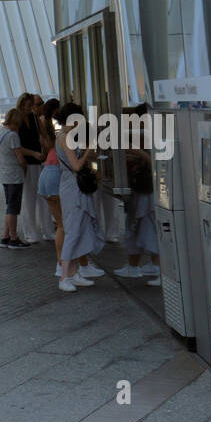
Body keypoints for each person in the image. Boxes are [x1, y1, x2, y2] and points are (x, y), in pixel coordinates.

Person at [55, 102, 105, 292]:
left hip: (70, 187)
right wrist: (87, 153)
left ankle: (72, 274)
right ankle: (65, 277)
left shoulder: (62, 136)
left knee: (76, 229)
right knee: (73, 231)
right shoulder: (66, 137)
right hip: (73, 188)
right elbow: (76, 166)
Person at [115, 104, 161, 285]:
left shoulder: (152, 136)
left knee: (143, 226)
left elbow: (156, 162)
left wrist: (139, 154)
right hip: (143, 187)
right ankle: (139, 265)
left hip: (146, 188)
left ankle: (152, 265)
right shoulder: (148, 135)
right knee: (140, 226)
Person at [38, 98, 66, 274]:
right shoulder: (63, 138)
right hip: (54, 176)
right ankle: (64, 266)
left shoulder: (58, 137)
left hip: (46, 175)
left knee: (61, 224)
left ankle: (62, 264)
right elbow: (75, 165)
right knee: (64, 225)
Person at [15, 93, 46, 243]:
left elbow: (43, 135)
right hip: (26, 162)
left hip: (37, 160)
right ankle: (30, 232)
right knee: (29, 199)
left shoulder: (34, 118)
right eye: (27, 106)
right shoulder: (17, 120)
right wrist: (33, 152)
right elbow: (16, 146)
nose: (29, 109)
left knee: (41, 196)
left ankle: (45, 230)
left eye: (31, 106)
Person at [0, 109, 29, 248]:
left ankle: (5, 236)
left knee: (9, 205)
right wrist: (25, 170)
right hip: (14, 175)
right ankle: (14, 238)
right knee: (13, 208)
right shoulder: (13, 136)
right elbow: (20, 158)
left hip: (4, 174)